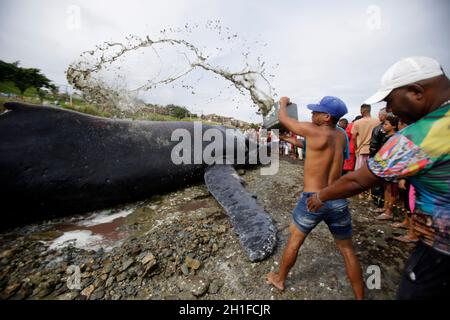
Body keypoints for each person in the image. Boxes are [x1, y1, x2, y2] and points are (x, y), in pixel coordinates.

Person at [307, 56, 450, 299]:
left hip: (440, 249)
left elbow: (358, 180)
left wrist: (322, 195)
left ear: (416, 92)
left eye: (390, 101)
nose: (391, 110)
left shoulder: (419, 136)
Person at [267, 96, 364, 300]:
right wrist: (287, 139)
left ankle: (280, 279)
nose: (312, 114)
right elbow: (315, 147)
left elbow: (283, 118)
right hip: (337, 197)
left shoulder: (313, 130)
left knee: (294, 240)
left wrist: (283, 103)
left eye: (316, 112)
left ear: (327, 116)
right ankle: (360, 297)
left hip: (313, 199)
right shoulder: (341, 136)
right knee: (347, 250)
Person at [375, 114, 399, 220]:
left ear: (393, 126)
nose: (383, 126)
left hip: (391, 167)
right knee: (386, 188)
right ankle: (385, 207)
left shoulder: (394, 137)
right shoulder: (386, 136)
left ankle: (389, 211)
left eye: (386, 124)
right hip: (385, 165)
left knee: (391, 190)